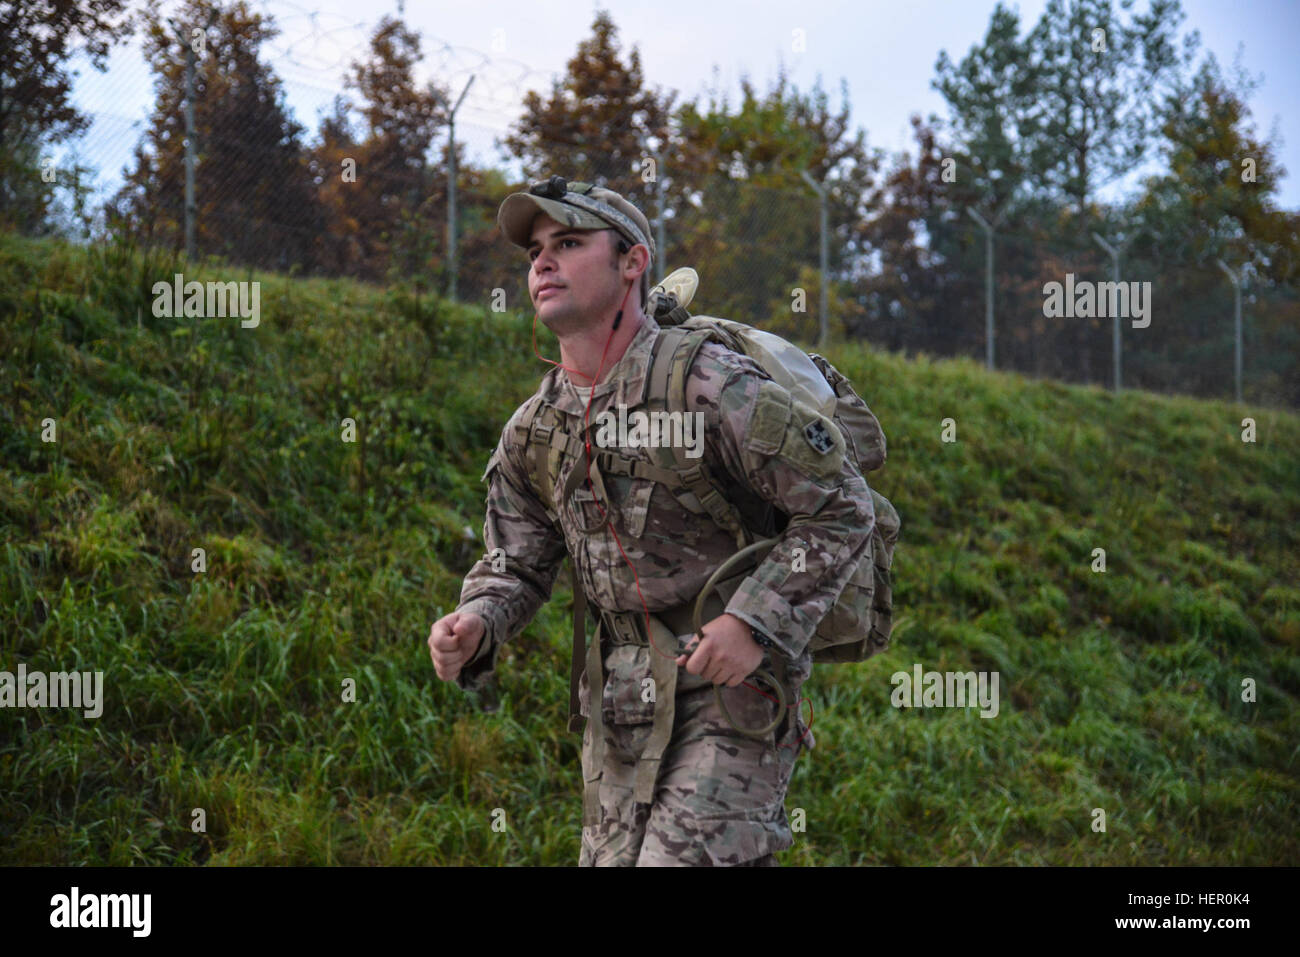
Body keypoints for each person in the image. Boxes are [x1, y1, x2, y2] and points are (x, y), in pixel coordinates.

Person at [428, 176, 876, 865]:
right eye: (535, 251)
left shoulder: (707, 385)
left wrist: (752, 623)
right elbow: (516, 561)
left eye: (569, 243)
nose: (543, 262)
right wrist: (478, 621)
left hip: (733, 690)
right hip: (621, 702)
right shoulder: (537, 427)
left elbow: (841, 506)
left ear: (633, 262)